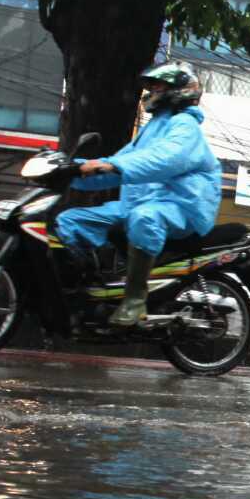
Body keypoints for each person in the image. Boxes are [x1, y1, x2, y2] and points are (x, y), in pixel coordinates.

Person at [54, 63, 221, 327]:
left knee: (145, 218)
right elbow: (119, 164)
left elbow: (164, 159)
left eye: (159, 86)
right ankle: (86, 292)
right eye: (151, 86)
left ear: (178, 90)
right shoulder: (151, 128)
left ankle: (134, 300)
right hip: (139, 203)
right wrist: (71, 172)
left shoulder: (185, 126)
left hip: (179, 206)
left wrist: (112, 165)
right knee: (72, 220)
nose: (151, 91)